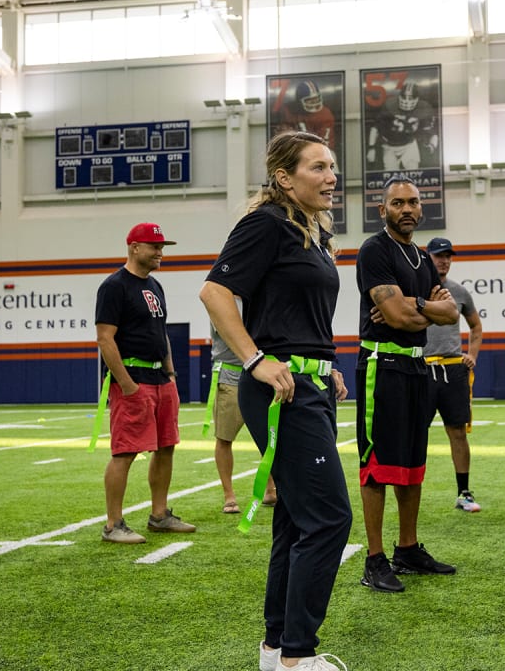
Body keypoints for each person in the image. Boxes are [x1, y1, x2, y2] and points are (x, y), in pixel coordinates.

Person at [200, 130, 353, 671]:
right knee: (330, 519)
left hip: (311, 385)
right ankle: (297, 657)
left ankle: (276, 651)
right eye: (318, 167)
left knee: (296, 520)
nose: (331, 176)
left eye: (332, 166)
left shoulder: (311, 231)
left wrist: (326, 366)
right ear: (285, 177)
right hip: (280, 391)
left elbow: (296, 315)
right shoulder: (266, 223)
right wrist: (254, 359)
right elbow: (214, 292)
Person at [356, 175, 460, 593]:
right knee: (377, 466)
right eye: (397, 203)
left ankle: (408, 549)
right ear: (383, 210)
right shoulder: (374, 250)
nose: (407, 209)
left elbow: (450, 314)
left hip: (418, 367)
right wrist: (422, 311)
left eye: (413, 202)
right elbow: (398, 318)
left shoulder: (422, 258)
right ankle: (374, 559)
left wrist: (415, 305)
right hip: (382, 366)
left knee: (412, 463)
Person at [95, 223, 195, 544]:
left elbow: (161, 332)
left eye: (162, 247)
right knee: (125, 452)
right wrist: (126, 385)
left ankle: (159, 515)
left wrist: (171, 374)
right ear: (134, 247)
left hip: (160, 379)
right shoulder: (114, 286)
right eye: (154, 246)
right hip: (133, 378)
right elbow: (105, 339)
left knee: (166, 446)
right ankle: (113, 524)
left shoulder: (155, 286)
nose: (160, 252)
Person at [424, 236, 483, 512]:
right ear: (428, 258)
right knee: (415, 433)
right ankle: (410, 489)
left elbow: (476, 326)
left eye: (448, 256)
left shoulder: (459, 292)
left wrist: (472, 355)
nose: (444, 261)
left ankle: (464, 493)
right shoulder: (414, 289)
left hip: (452, 369)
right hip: (422, 369)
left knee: (458, 432)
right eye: (439, 256)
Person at [207, 327, 278, 515]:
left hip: (260, 375)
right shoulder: (225, 306)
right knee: (224, 437)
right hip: (231, 375)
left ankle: (270, 489)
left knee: (268, 436)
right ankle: (229, 495)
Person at [367, 80, 438, 170]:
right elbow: (375, 128)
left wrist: (432, 146)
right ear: (399, 97)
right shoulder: (390, 106)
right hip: (389, 146)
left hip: (409, 145)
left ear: (417, 99)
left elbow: (433, 133)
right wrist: (371, 148)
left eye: (410, 98)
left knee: (413, 172)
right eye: (404, 97)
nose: (406, 101)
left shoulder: (423, 108)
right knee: (391, 174)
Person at [276, 80, 337, 155]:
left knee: (330, 155)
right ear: (299, 102)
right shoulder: (288, 110)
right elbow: (283, 137)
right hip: (295, 150)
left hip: (319, 150)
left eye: (316, 99)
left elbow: (325, 144)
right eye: (310, 100)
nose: (315, 103)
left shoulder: (324, 113)